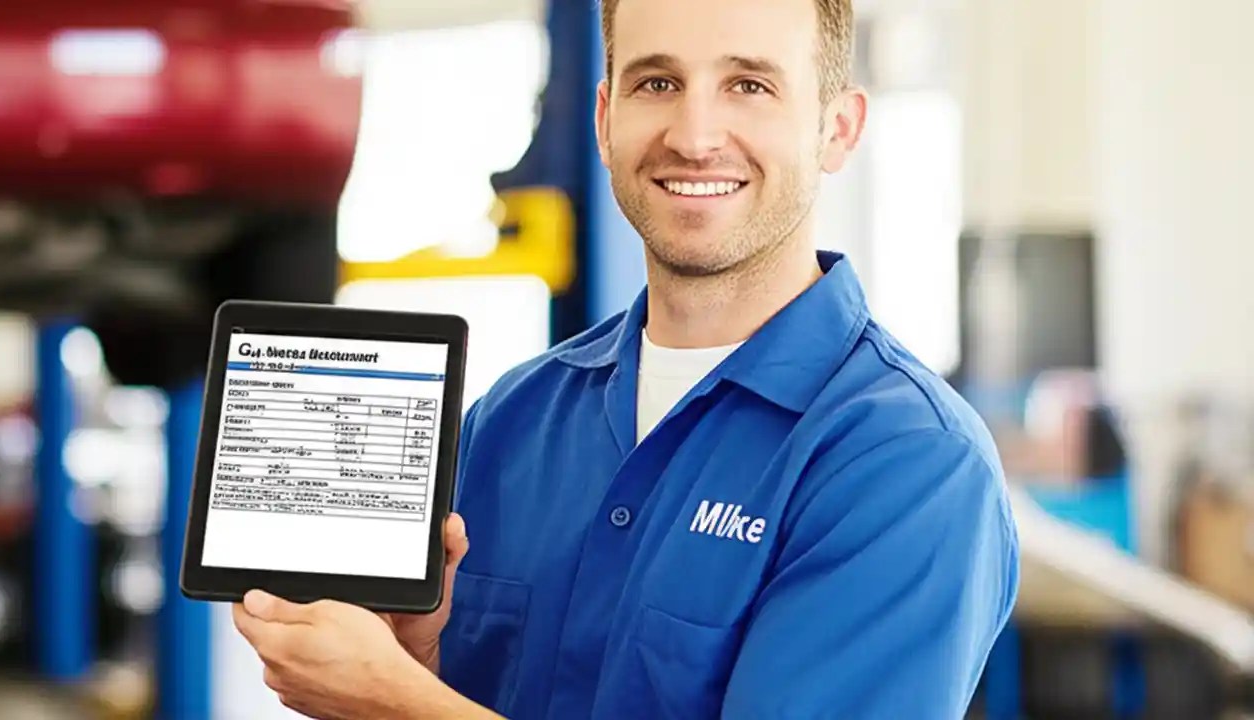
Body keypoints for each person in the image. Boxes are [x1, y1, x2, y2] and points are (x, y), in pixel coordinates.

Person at [230, 0, 1020, 717]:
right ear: (606, 120)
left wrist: (394, 703)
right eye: (657, 84)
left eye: (749, 86)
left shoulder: (905, 462)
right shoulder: (513, 419)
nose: (695, 135)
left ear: (837, 128)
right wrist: (422, 663)